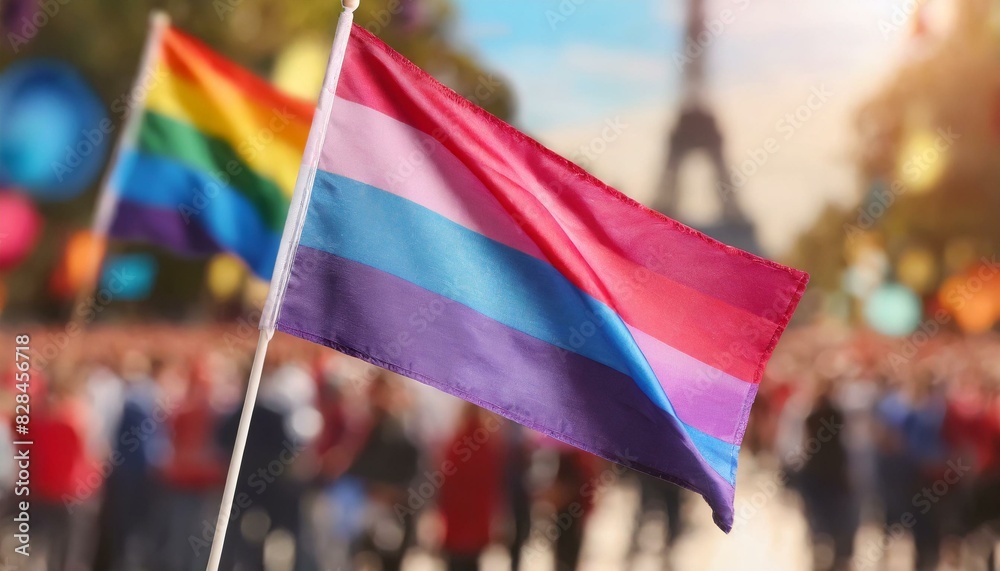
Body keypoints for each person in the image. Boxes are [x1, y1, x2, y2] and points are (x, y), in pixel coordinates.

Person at [437, 404, 505, 571]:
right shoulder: (487, 446)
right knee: (473, 560)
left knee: (455, 560)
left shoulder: (456, 443)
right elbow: (494, 483)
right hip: (478, 514)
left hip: (457, 513)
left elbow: (445, 481)